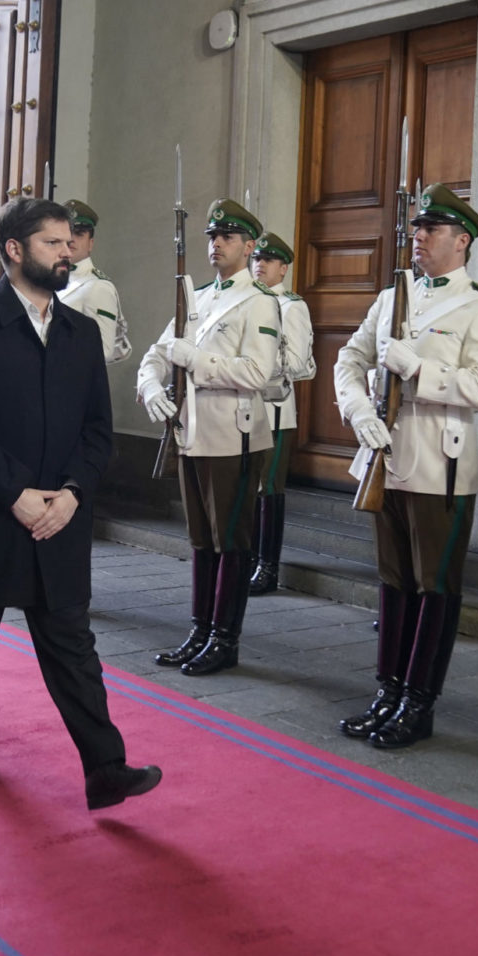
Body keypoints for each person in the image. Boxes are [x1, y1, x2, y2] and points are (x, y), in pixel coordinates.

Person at [0, 197, 161, 810]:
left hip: (59, 515)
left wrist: (74, 493)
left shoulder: (81, 333)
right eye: (53, 243)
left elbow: (98, 431)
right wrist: (16, 494)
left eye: (69, 243)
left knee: (71, 641)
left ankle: (105, 768)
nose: (67, 253)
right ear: (15, 249)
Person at [334, 184, 478, 749]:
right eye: (417, 229)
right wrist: (359, 410)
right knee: (393, 582)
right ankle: (388, 690)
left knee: (434, 587)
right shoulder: (393, 297)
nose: (419, 237)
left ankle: (418, 702)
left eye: (432, 230)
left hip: (441, 466)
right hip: (386, 456)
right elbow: (350, 358)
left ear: (462, 242)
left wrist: (418, 371)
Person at [138, 198, 281, 676]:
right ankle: (200, 631)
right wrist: (151, 385)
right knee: (201, 540)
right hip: (193, 434)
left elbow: (257, 372)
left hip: (233, 438)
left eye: (227, 237)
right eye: (212, 237)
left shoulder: (259, 301)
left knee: (230, 541)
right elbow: (157, 354)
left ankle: (225, 638)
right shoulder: (196, 297)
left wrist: (195, 360)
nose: (216, 244)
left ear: (250, 246)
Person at [248, 231, 316, 594]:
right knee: (246, 486)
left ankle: (268, 567)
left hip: (274, 409)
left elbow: (299, 363)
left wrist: (257, 365)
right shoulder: (246, 301)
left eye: (268, 260)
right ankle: (247, 559)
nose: (260, 265)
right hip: (242, 408)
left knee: (268, 487)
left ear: (283, 268)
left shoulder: (291, 307)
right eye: (256, 258)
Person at [58, 200, 131, 364]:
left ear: (90, 243)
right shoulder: (50, 281)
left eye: (79, 233)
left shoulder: (98, 287)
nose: (71, 239)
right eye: (67, 233)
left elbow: (103, 351)